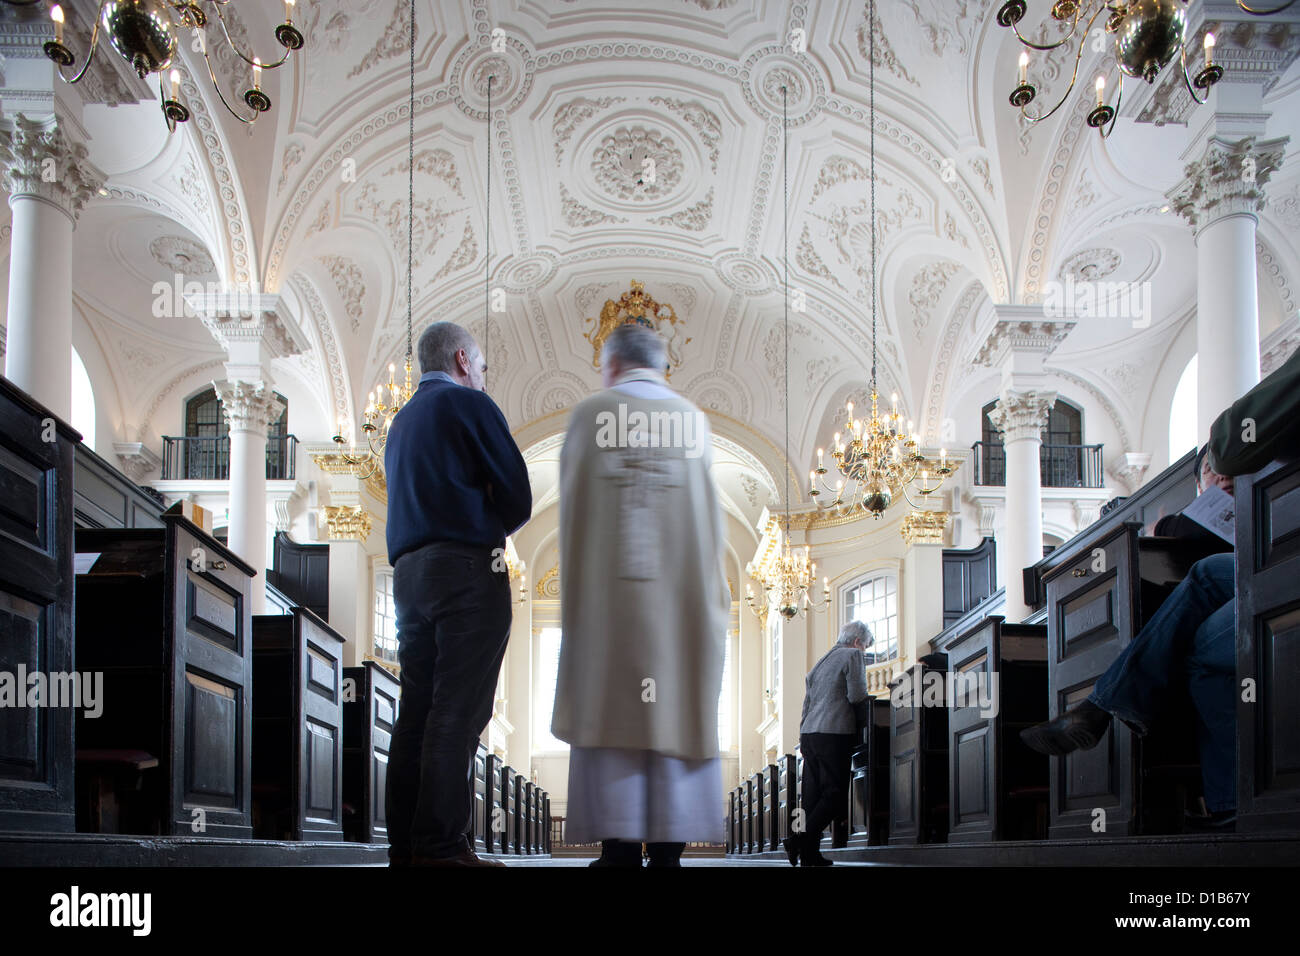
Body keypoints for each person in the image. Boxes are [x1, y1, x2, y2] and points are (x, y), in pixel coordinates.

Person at [552, 322, 730, 868]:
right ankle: (671, 850)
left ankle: (619, 847)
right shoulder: (692, 422)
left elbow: (573, 519)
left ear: (611, 365)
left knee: (614, 709)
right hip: (679, 610)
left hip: (610, 611)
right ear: (663, 365)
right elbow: (711, 531)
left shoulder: (589, 414)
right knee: (674, 705)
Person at [1021, 443, 1236, 825]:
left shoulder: (1258, 493)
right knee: (1197, 657)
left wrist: (1168, 525)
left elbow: (1185, 530)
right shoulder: (1213, 508)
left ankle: (1098, 708)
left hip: (1273, 565)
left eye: (1227, 470)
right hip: (1248, 582)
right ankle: (1230, 804)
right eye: (1212, 473)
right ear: (1199, 485)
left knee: (1203, 577)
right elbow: (1190, 530)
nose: (1221, 478)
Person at [383, 322, 532, 867]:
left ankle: (406, 844)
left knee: (416, 709)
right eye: (484, 367)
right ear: (464, 360)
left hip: (409, 577)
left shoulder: (399, 423)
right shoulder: (471, 405)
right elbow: (518, 496)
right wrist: (486, 509)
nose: (484, 377)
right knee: (457, 712)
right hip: (467, 570)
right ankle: (443, 848)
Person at [784, 620, 870, 867]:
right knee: (834, 795)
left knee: (812, 798)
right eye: (864, 646)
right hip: (834, 732)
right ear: (856, 642)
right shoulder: (853, 655)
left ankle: (810, 855)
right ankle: (798, 841)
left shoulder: (820, 662)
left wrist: (802, 735)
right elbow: (857, 695)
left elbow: (806, 704)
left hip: (809, 734)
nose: (863, 650)